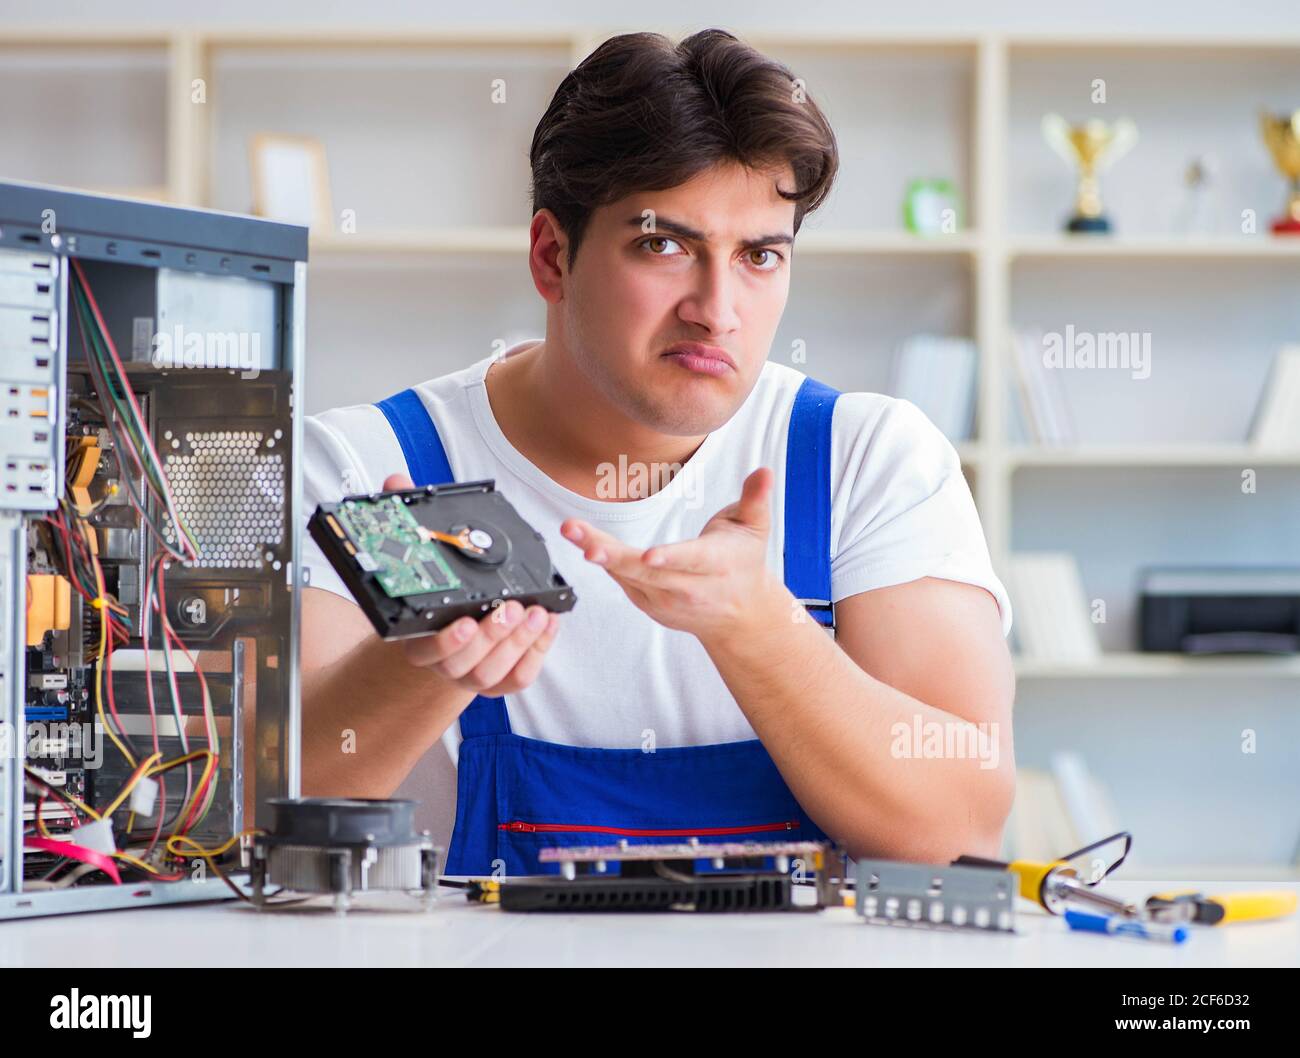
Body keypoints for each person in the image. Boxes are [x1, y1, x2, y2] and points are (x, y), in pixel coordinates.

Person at [299, 28, 1015, 877]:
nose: (717, 310)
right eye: (664, 245)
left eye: (759, 256)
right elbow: (261, 814)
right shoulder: (361, 465)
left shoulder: (868, 461)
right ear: (551, 255)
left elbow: (963, 831)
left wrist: (763, 630)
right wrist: (427, 663)